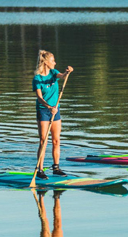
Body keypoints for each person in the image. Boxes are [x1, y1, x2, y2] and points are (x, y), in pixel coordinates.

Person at [33, 50, 73, 179]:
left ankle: (56, 168)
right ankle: (40, 170)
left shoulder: (54, 73)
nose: (55, 63)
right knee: (43, 141)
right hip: (43, 111)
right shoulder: (37, 79)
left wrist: (67, 72)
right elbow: (39, 98)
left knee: (56, 141)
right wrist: (49, 107)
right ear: (46, 62)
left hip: (55, 111)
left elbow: (62, 76)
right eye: (53, 60)